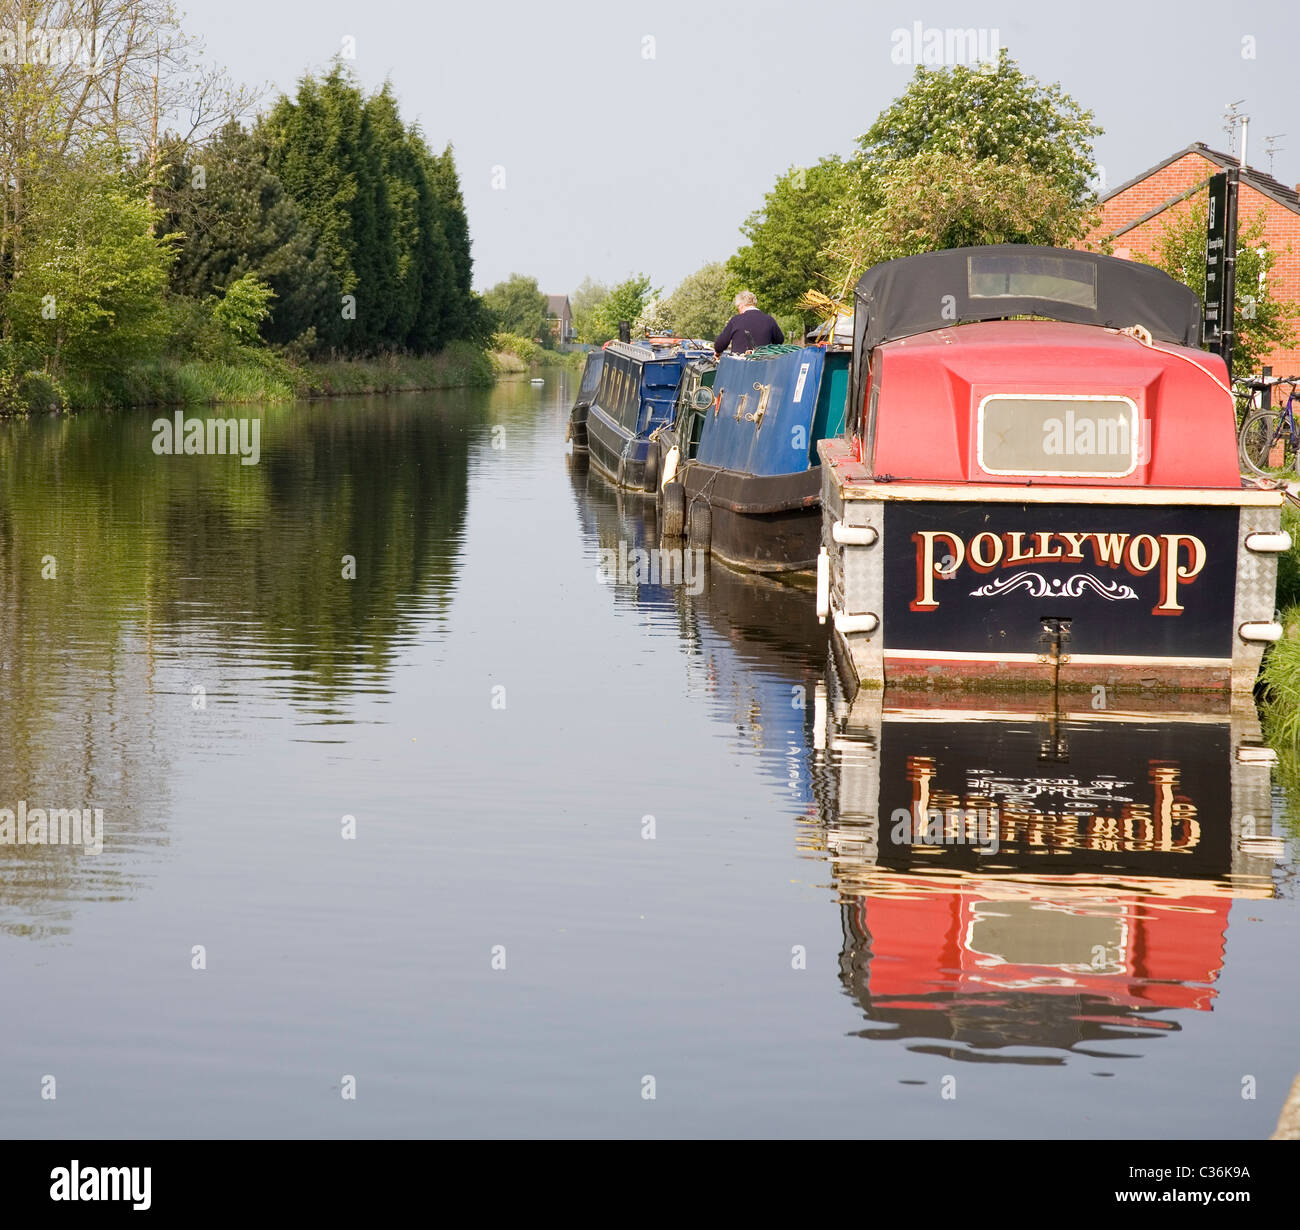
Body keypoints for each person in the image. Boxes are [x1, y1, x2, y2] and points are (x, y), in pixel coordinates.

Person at [713, 291, 784, 357]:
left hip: (739, 365)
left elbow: (720, 344)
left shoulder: (736, 320)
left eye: (738, 307)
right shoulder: (769, 320)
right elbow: (779, 340)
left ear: (741, 305)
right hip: (763, 364)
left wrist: (718, 352)